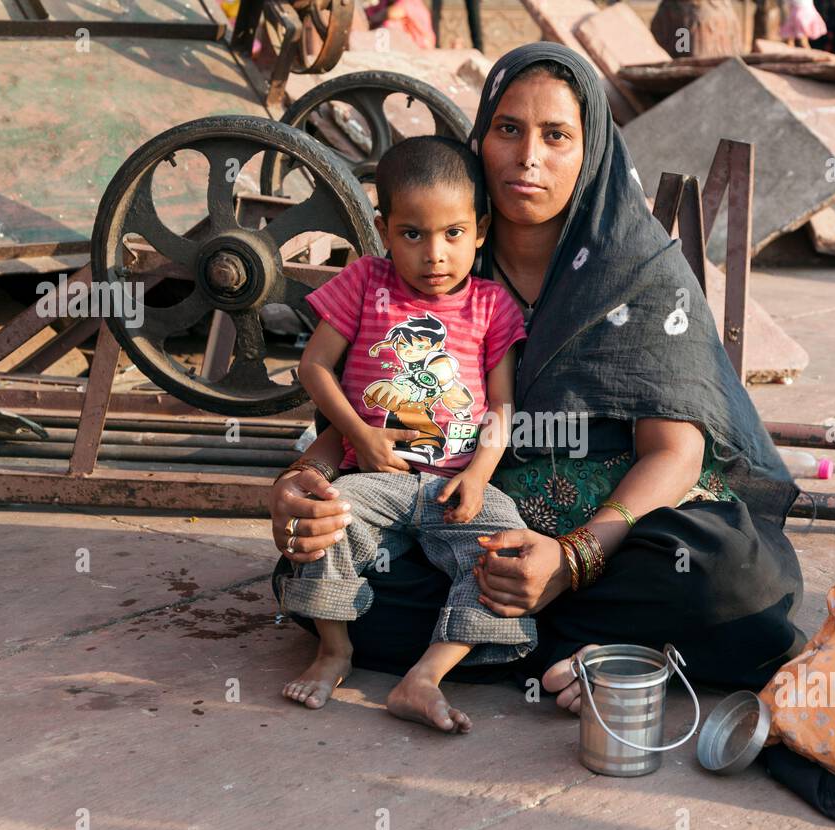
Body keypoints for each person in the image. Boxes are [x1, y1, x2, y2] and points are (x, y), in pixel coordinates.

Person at [270, 42, 806, 722]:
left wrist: (569, 560)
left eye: (557, 136)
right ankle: (600, 647)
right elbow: (372, 431)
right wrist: (298, 486)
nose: (528, 158)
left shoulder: (638, 270)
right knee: (314, 565)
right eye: (508, 129)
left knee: (734, 582)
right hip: (467, 532)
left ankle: (529, 639)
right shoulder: (436, 259)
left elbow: (675, 452)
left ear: (593, 151)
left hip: (615, 532)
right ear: (481, 138)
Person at [279, 135, 533, 733]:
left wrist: (478, 475)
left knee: (509, 552)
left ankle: (425, 677)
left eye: (453, 233)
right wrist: (359, 438)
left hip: (454, 490)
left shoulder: (492, 306)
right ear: (383, 229)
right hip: (378, 478)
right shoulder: (366, 282)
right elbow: (313, 367)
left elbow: (502, 406)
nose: (435, 254)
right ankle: (333, 650)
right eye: (412, 234)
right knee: (329, 517)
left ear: (480, 231)